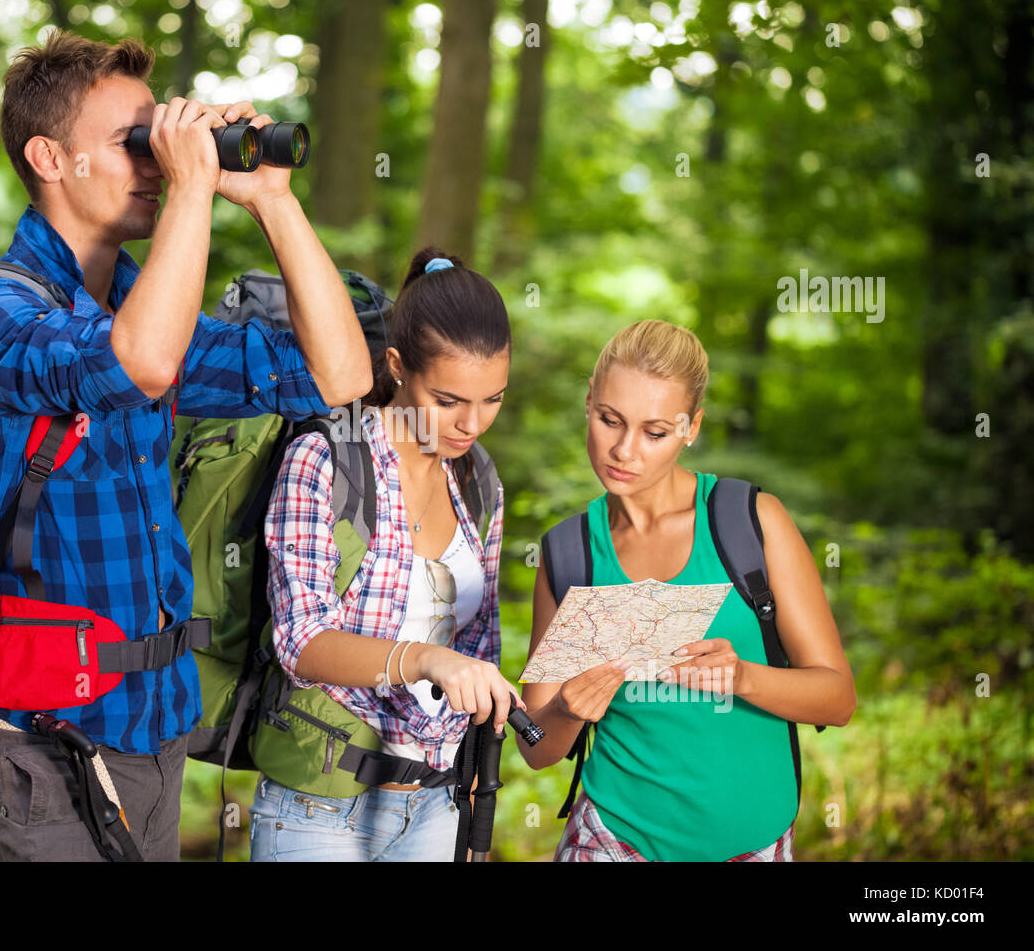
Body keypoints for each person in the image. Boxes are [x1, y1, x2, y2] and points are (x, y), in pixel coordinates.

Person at [0, 30, 371, 861]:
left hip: (158, 722)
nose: (160, 163)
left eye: (159, 139)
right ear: (49, 158)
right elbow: (138, 364)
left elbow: (338, 375)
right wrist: (196, 193)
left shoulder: (136, 303)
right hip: (45, 736)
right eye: (133, 143)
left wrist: (272, 199)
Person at [516, 319, 856, 862]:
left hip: (754, 845)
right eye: (609, 420)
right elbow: (535, 748)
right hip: (612, 841)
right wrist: (567, 710)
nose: (624, 450)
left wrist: (741, 676)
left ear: (691, 427)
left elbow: (837, 699)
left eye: (655, 433)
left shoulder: (750, 523)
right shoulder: (569, 552)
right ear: (588, 405)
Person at [252, 247, 523, 861]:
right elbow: (300, 642)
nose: (472, 424)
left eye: (493, 399)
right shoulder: (327, 459)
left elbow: (480, 639)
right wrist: (427, 661)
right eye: (449, 400)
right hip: (318, 807)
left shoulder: (479, 478)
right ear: (398, 366)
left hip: (435, 804)